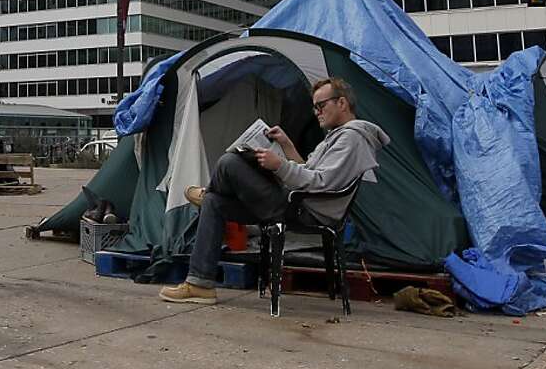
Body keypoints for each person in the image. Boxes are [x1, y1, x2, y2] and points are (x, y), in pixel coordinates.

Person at [159, 77, 390, 305]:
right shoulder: (337, 137)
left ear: (342, 103)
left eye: (321, 105)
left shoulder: (351, 138)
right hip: (298, 203)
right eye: (315, 107)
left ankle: (207, 191)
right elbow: (309, 170)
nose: (317, 112)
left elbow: (320, 182)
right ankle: (200, 284)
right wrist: (286, 145)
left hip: (303, 209)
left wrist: (279, 165)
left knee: (229, 162)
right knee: (215, 203)